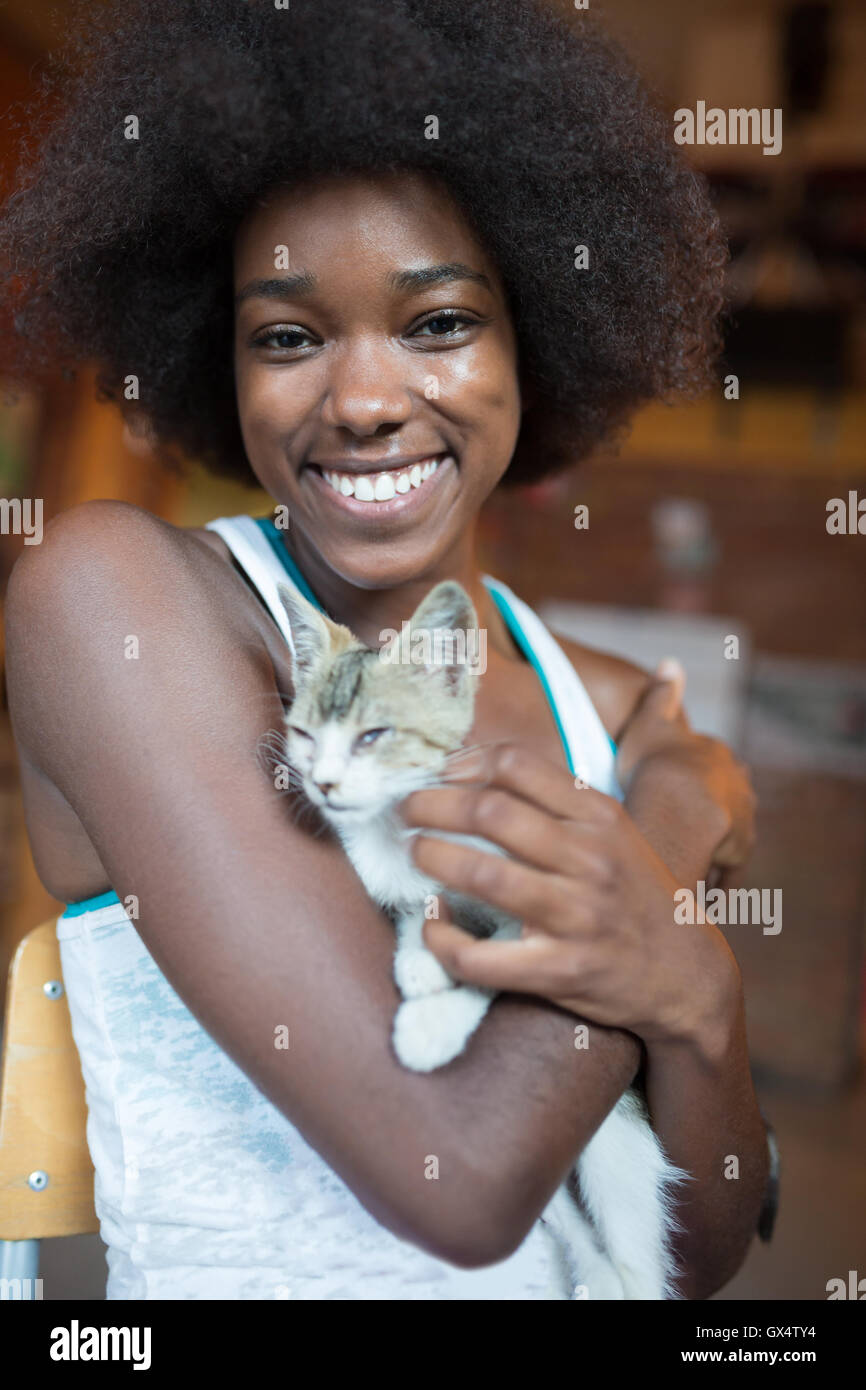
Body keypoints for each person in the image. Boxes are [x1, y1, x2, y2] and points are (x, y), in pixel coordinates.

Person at [1, 0, 773, 1299]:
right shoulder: (116, 600)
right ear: (219, 361)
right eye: (289, 336)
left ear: (536, 340)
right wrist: (671, 832)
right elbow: (459, 1182)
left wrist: (696, 1001)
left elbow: (695, 1259)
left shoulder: (612, 705)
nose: (361, 402)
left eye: (437, 324)